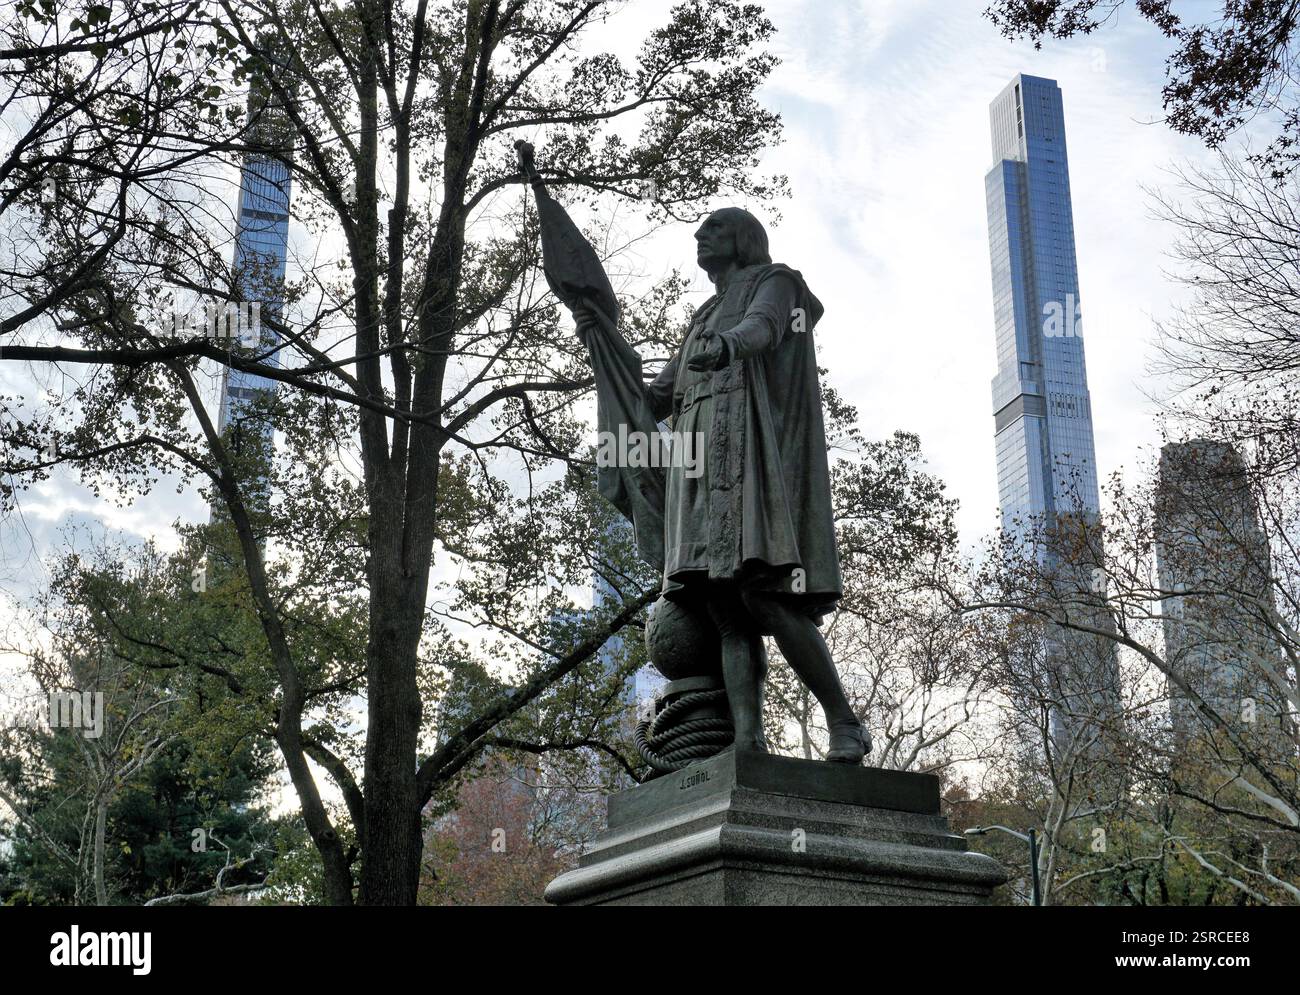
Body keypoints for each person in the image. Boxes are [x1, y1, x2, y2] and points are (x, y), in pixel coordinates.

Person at [575, 207, 869, 763]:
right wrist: (603, 346)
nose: (699, 236)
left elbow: (765, 326)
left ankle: (845, 722)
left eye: (712, 228)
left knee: (767, 594)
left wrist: (729, 345)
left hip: (747, 459)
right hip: (698, 468)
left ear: (742, 238)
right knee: (724, 608)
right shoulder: (702, 315)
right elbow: (654, 398)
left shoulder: (777, 281)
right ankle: (748, 744)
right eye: (698, 230)